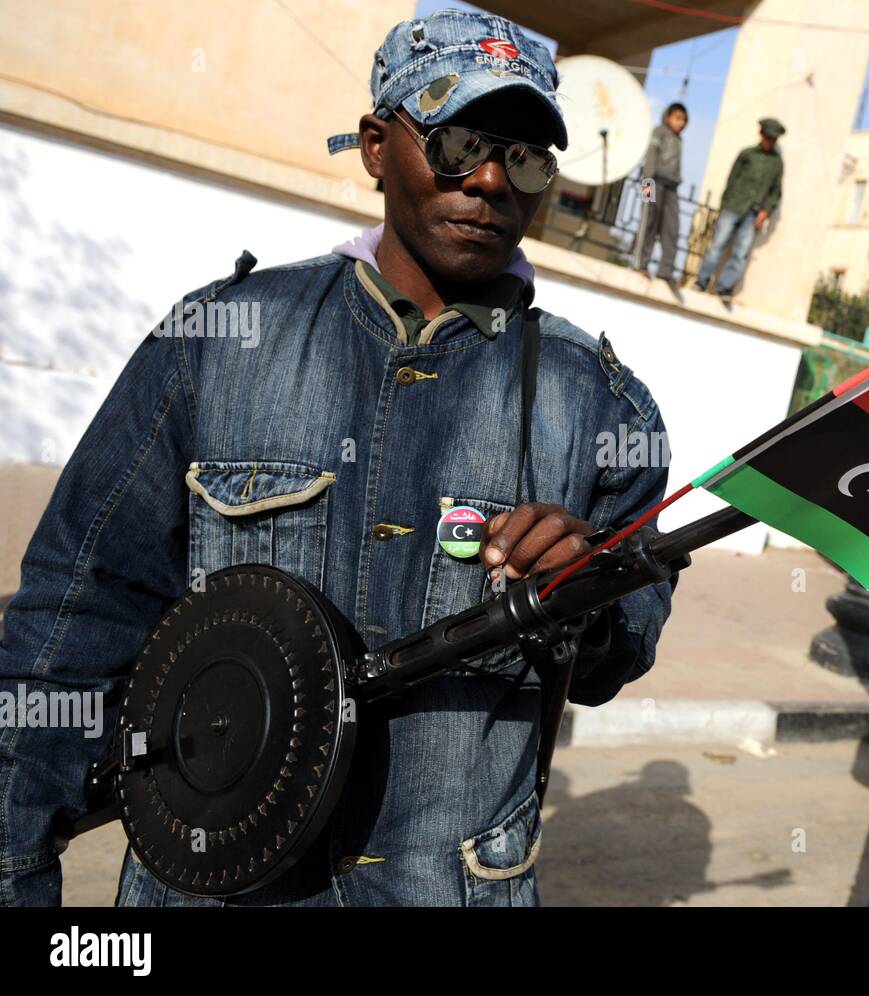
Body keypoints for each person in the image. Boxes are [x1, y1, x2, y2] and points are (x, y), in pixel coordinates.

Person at [0, 10, 675, 907]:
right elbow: (73, 621)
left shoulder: (602, 403)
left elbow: (623, 650)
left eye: (525, 158)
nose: (488, 179)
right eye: (460, 140)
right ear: (374, 145)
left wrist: (588, 603)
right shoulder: (217, 342)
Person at [693, 117, 785, 302]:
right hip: (733, 206)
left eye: (773, 139)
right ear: (762, 135)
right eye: (768, 138)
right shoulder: (747, 154)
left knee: (740, 253)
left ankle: (725, 289)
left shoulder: (777, 163)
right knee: (717, 245)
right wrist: (725, 205)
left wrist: (765, 212)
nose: (770, 142)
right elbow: (732, 180)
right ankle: (701, 282)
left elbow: (776, 192)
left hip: (754, 213)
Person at [634, 102, 688, 280]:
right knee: (648, 222)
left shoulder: (679, 139)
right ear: (668, 117)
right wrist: (647, 188)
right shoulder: (658, 132)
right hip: (653, 182)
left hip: (671, 187)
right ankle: (640, 263)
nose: (681, 123)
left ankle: (666, 271)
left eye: (684, 120)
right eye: (678, 118)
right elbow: (650, 160)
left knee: (672, 228)